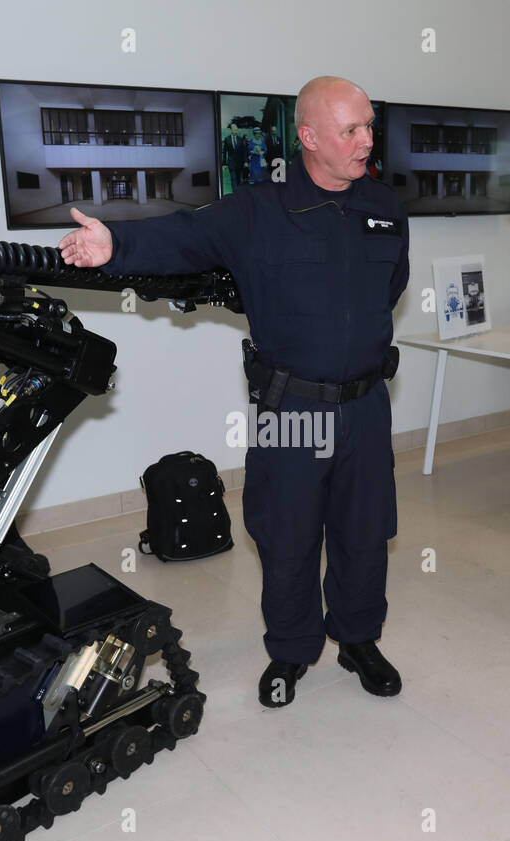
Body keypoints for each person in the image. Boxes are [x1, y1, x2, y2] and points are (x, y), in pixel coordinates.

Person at [59, 76, 409, 708]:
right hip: (292, 408)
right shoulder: (256, 212)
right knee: (288, 535)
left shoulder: (386, 208)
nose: (366, 141)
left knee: (364, 533)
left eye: (368, 127)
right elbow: (179, 237)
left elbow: (390, 290)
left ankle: (359, 639)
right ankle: (293, 650)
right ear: (308, 137)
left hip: (364, 405)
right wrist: (113, 243)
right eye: (351, 130)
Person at [221, 123, 250, 194]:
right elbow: (225, 152)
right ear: (231, 130)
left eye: (236, 130)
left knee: (238, 179)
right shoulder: (227, 139)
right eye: (234, 130)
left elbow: (244, 152)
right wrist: (224, 164)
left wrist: (246, 162)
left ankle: (239, 193)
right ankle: (235, 194)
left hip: (239, 163)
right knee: (233, 179)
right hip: (231, 163)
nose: (236, 131)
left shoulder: (240, 139)